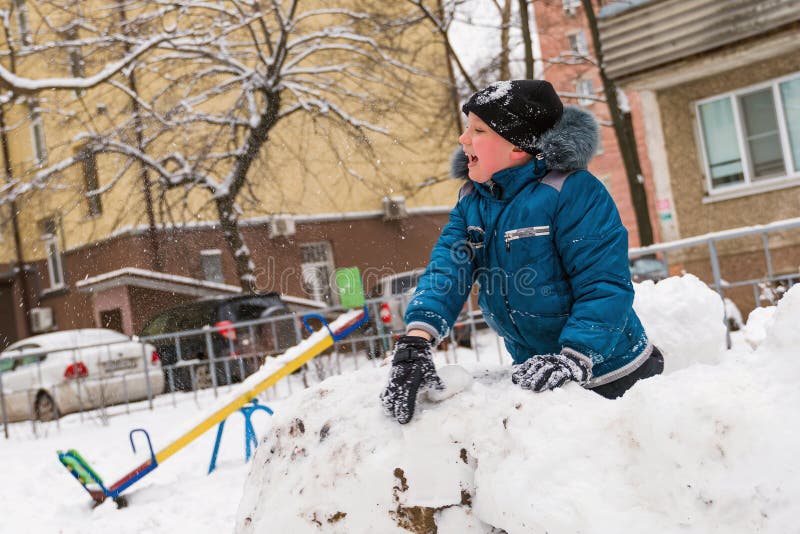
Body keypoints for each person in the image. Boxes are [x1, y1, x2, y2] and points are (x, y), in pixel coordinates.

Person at [380, 80, 663, 424]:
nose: (463, 139)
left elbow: (603, 285)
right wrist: (416, 339)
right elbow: (447, 269)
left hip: (616, 379)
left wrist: (575, 355)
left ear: (517, 147)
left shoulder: (572, 192)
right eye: (466, 128)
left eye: (477, 130)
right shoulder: (473, 200)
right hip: (540, 381)